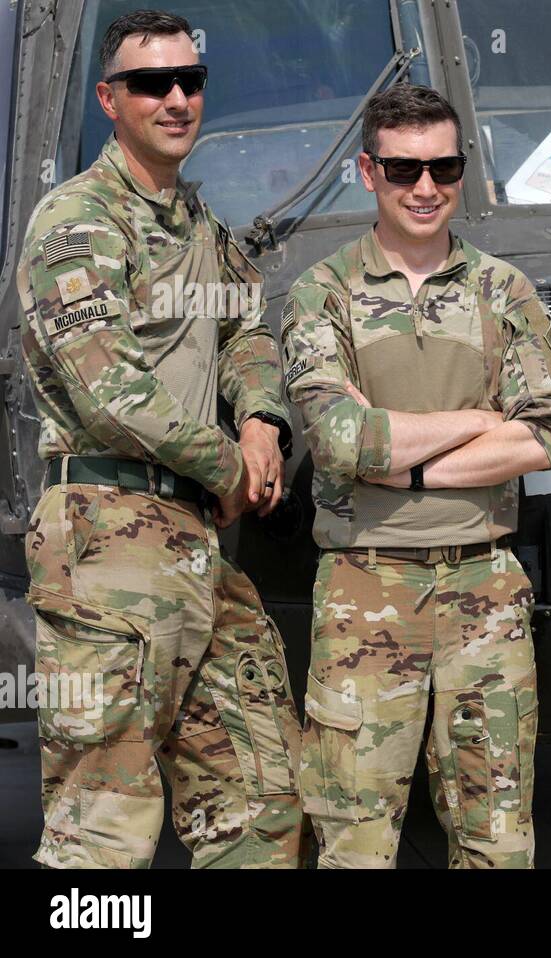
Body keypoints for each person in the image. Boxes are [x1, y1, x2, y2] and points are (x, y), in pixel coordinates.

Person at [18, 9, 302, 868]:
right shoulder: (79, 223)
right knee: (102, 832)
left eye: (191, 82)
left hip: (200, 551)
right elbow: (110, 394)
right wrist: (227, 466)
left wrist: (259, 420)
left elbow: (248, 326)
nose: (177, 99)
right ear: (110, 99)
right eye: (152, 84)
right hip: (110, 544)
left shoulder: (200, 226)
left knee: (261, 801)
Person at [281, 84, 551, 868]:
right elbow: (340, 441)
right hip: (362, 588)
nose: (425, 186)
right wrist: (479, 421)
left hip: (485, 586)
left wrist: (402, 466)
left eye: (443, 166)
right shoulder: (323, 293)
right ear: (367, 171)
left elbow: (543, 433)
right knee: (355, 837)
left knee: (498, 835)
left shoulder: (503, 290)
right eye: (404, 167)